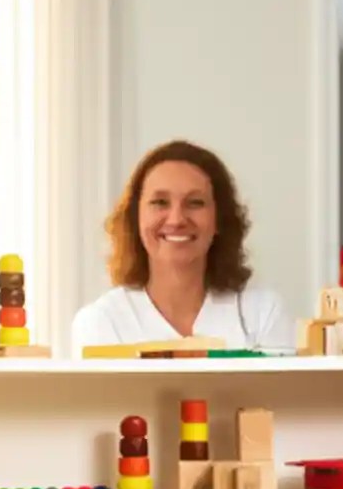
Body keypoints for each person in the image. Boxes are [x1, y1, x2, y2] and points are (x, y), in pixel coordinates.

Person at [70, 140, 295, 356]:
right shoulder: (101, 322)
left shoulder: (263, 312)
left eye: (195, 203)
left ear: (219, 219)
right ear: (135, 218)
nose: (176, 219)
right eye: (160, 203)